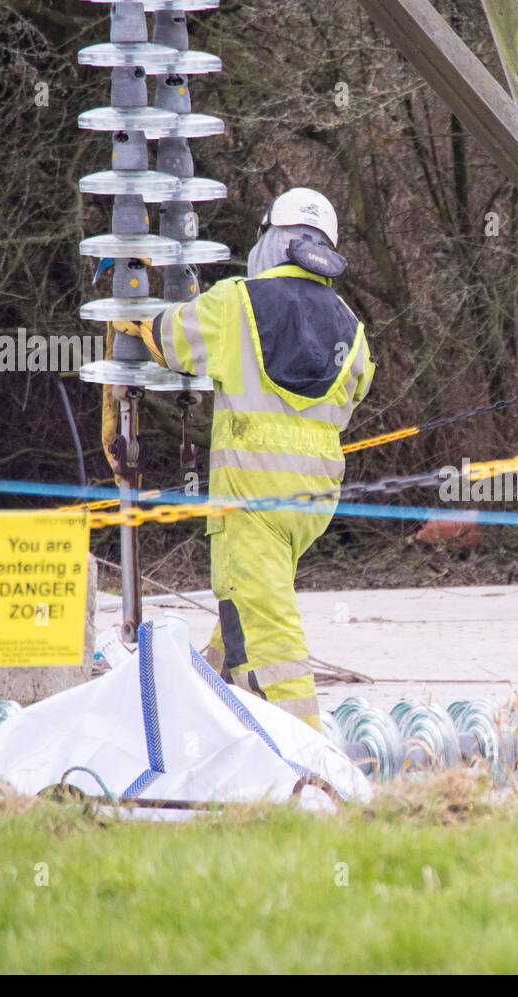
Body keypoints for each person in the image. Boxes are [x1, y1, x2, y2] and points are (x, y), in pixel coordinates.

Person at [114, 187, 374, 731]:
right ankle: (187, 721)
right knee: (239, 621)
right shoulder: (352, 327)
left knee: (270, 636)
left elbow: (173, 340)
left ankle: (308, 759)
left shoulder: (239, 302)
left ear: (271, 241)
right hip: (310, 507)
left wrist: (135, 322)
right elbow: (356, 390)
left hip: (250, 504)